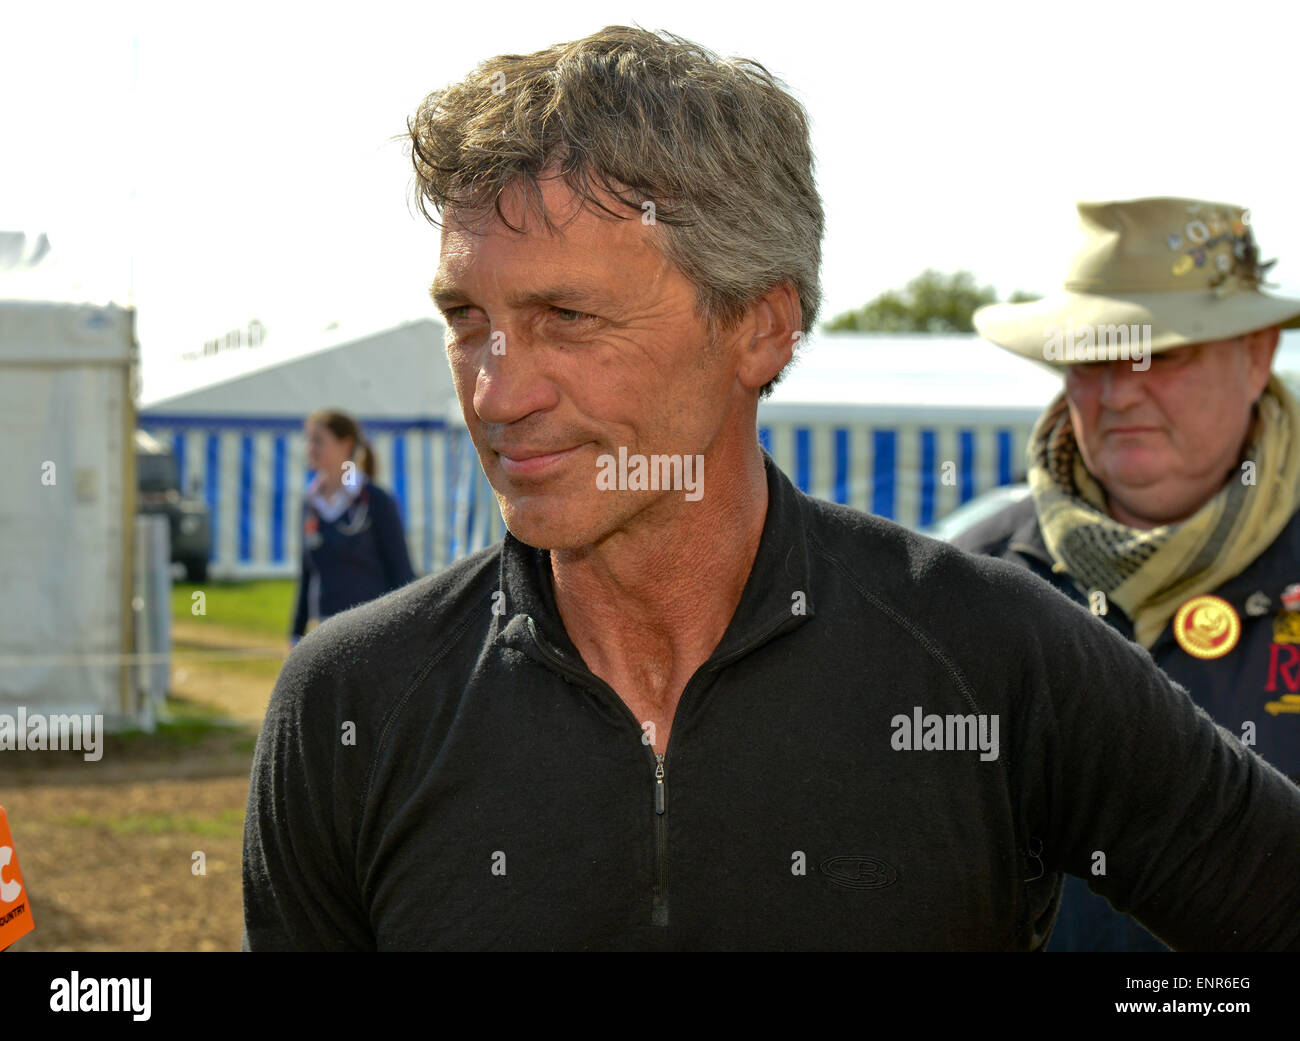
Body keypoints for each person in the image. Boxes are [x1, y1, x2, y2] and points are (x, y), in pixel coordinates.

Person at [243, 28, 1300, 951]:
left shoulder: (994, 653)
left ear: (760, 327)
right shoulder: (347, 705)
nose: (498, 390)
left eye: (570, 318)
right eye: (467, 319)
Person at [953, 196, 1300, 951]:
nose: (1118, 390)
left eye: (1158, 353)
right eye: (1090, 356)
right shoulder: (966, 582)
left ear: (1256, 353)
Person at [289, 408, 415, 646]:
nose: (310, 448)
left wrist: (405, 631)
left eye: (318, 441)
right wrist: (295, 632)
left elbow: (402, 571)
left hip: (372, 630)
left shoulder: (375, 501)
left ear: (345, 444)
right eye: (309, 440)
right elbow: (307, 573)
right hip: (324, 631)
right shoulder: (310, 502)